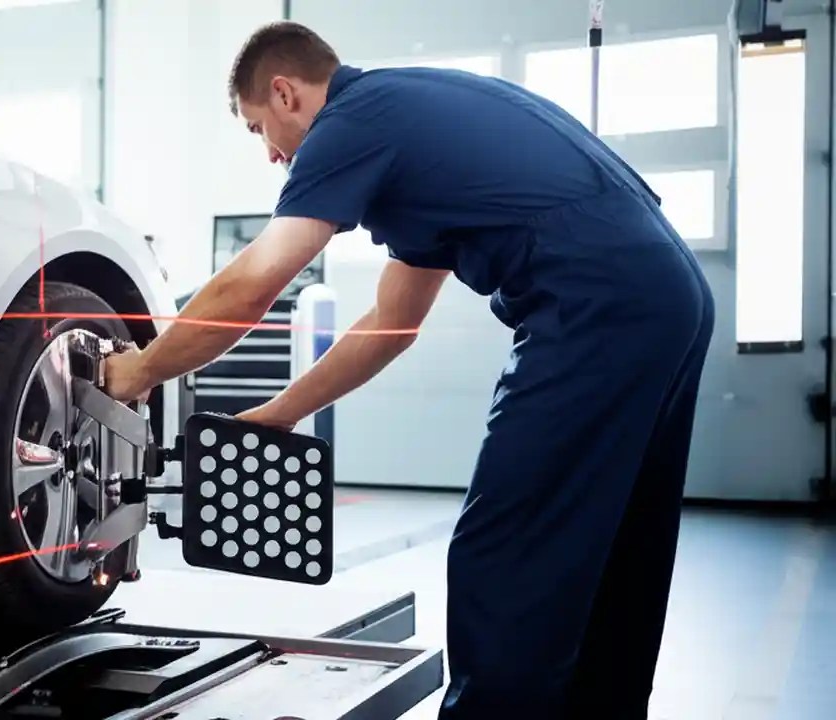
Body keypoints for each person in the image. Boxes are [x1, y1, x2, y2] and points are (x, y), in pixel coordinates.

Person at [102, 20, 714, 720]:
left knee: (507, 552)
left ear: (284, 92)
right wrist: (281, 413)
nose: (271, 155)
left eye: (256, 129)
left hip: (597, 304)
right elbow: (390, 327)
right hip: (669, 295)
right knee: (613, 548)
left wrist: (140, 370)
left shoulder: (353, 122)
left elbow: (255, 282)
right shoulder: (413, 125)